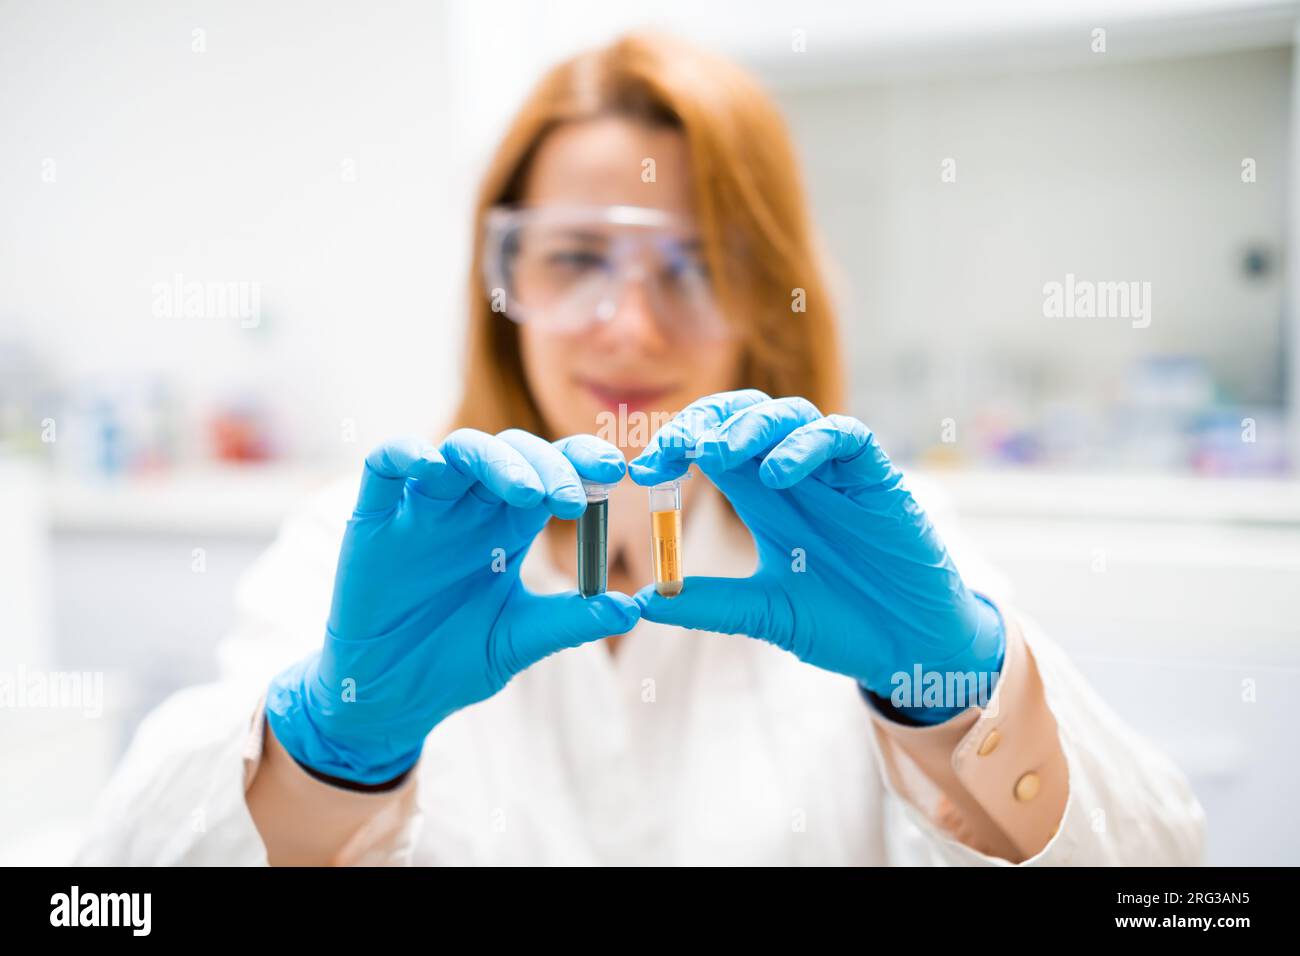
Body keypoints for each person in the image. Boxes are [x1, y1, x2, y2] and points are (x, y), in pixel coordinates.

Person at [76, 33, 1204, 866]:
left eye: (697, 264)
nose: (631, 325)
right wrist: (329, 751)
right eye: (575, 259)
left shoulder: (882, 556)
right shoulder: (351, 549)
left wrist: (956, 700)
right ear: (503, 289)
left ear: (768, 297)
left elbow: (1166, 881)